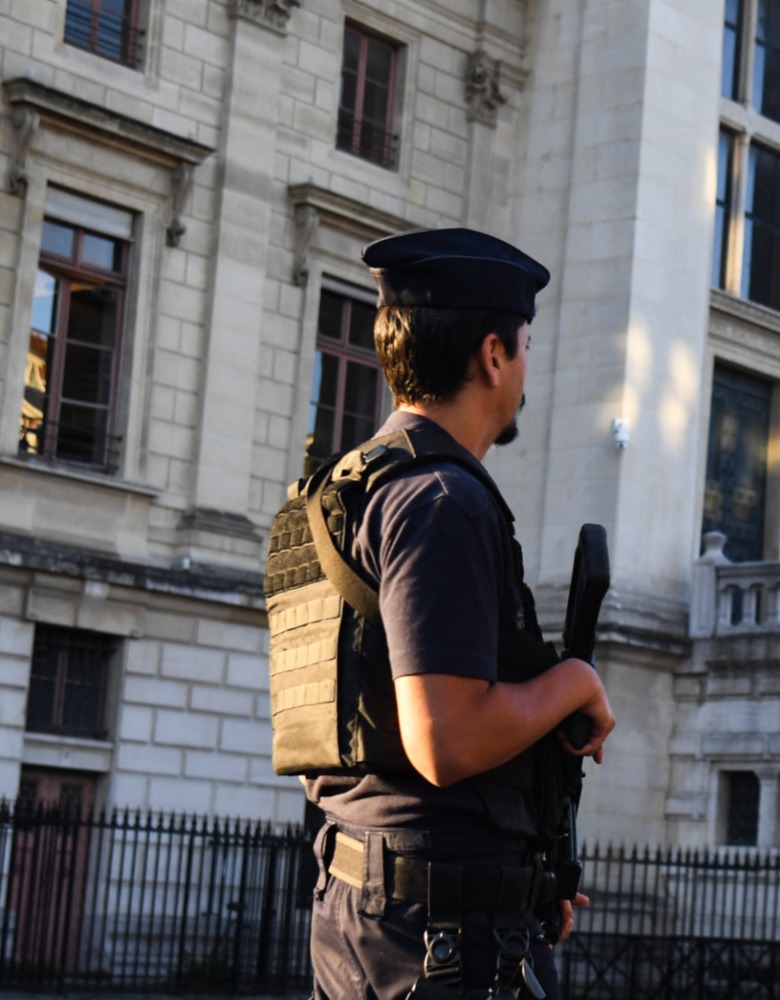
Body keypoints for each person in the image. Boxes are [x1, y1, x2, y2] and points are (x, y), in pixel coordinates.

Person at [263, 229, 615, 1000]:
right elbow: (445, 739)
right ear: (493, 356)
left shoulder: (348, 492)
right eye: (525, 345)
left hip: (378, 910)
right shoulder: (442, 501)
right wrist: (575, 681)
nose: (526, 369)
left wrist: (522, 879)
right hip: (436, 938)